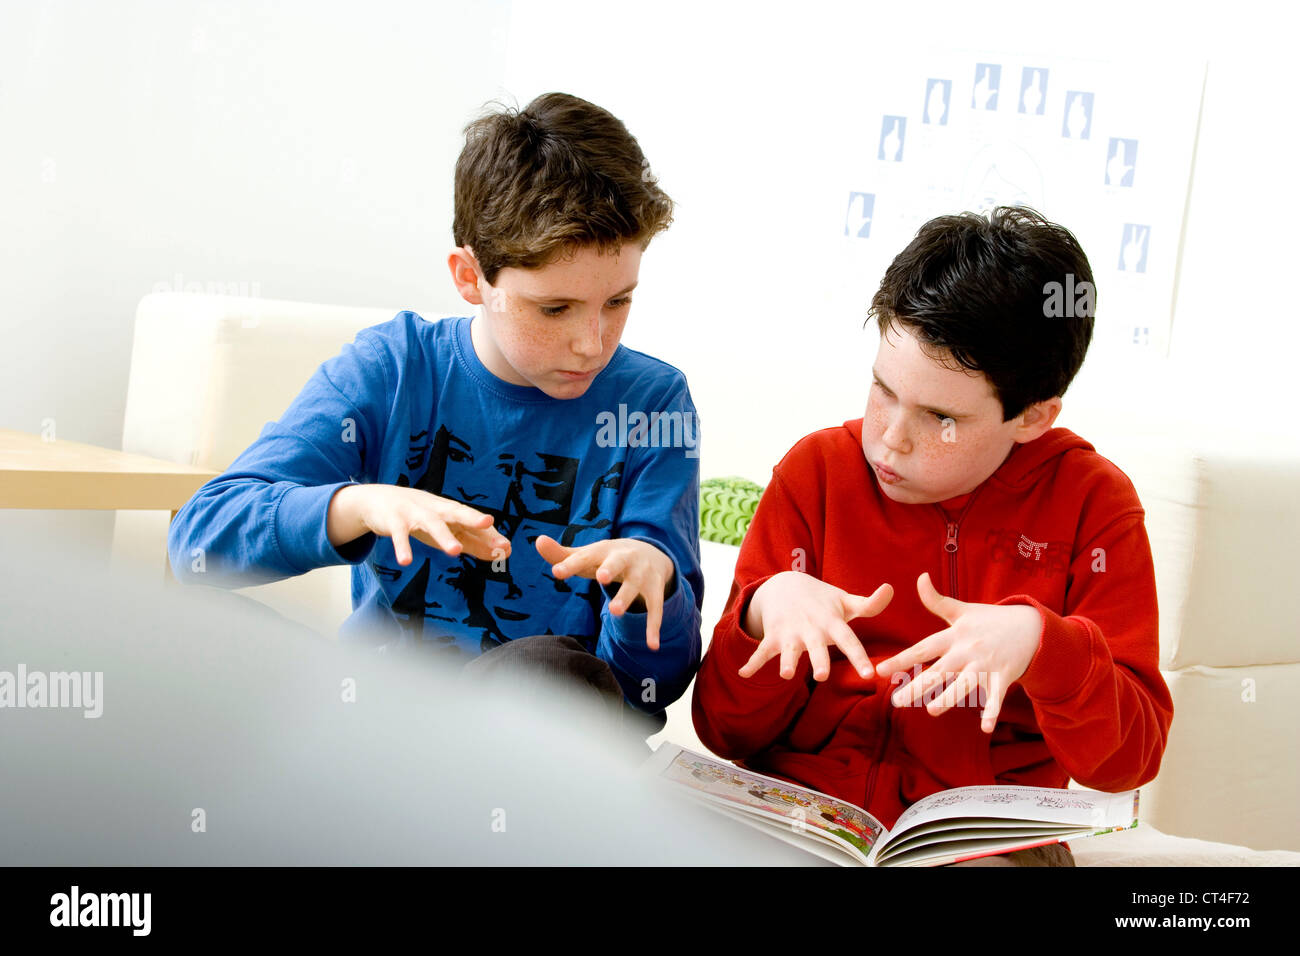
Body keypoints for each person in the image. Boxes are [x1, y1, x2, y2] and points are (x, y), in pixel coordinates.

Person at [167, 93, 703, 731]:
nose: (592, 341)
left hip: (541, 751)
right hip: (380, 722)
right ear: (470, 277)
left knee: (546, 675)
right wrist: (358, 505)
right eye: (554, 309)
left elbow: (651, 691)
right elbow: (195, 543)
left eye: (618, 301)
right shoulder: (392, 368)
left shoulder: (653, 404)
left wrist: (655, 591)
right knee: (190, 631)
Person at [691, 206, 1173, 865]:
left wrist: (1045, 649)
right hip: (797, 819)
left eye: (940, 416)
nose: (891, 436)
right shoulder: (816, 475)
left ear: (1033, 417)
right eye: (883, 391)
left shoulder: (1095, 505)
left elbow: (1128, 762)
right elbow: (721, 731)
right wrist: (761, 613)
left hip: (976, 846)